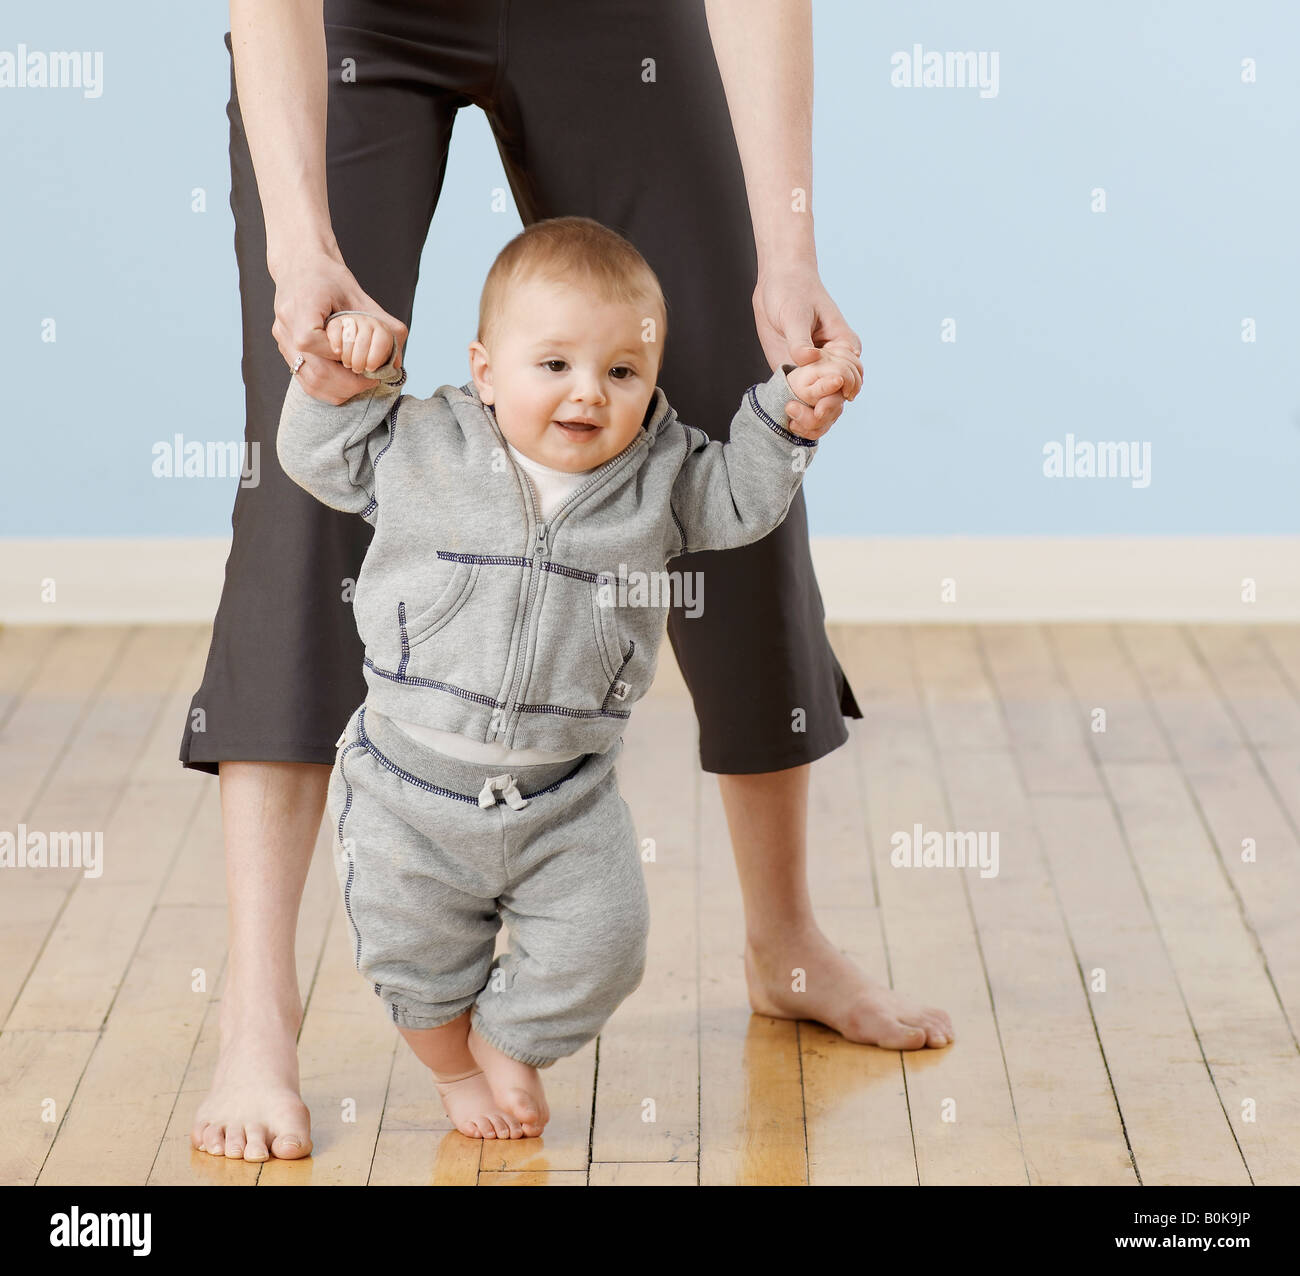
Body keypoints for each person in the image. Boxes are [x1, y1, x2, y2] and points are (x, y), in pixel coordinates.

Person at [186, 0, 954, 1162]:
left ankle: (784, 937)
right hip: (355, 22)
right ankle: (256, 1017)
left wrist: (785, 251)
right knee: (311, 455)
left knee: (721, 398)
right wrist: (305, 254)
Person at [275, 217, 857, 1138]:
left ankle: (509, 1044)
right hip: (404, 789)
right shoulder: (422, 446)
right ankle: (455, 1075)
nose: (589, 392)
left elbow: (742, 499)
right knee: (410, 958)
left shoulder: (662, 473)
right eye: (554, 366)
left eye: (622, 372)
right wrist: (333, 384)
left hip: (566, 794)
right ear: (484, 370)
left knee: (605, 945)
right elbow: (317, 456)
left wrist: (789, 418)